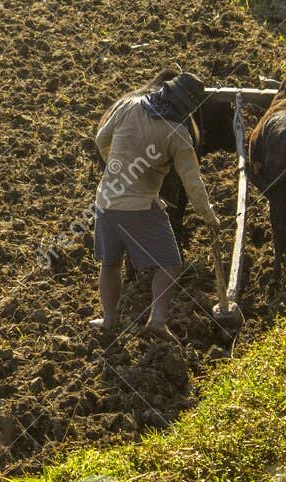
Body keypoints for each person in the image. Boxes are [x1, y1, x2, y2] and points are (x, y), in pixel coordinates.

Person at [92, 70, 219, 341]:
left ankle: (109, 319)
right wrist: (208, 216)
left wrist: (117, 168)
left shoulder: (129, 105)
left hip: (105, 200)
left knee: (110, 263)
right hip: (140, 206)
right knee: (171, 263)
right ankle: (157, 320)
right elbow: (192, 183)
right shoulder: (179, 133)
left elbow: (101, 139)